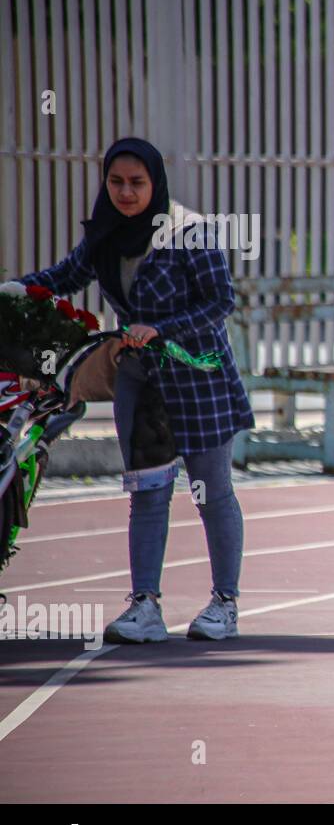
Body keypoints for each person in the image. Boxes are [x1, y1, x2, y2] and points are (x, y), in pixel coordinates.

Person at [11, 138, 255, 643]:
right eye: (116, 182)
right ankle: (145, 607)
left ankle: (224, 604)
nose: (125, 192)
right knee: (148, 494)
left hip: (198, 377)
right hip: (141, 380)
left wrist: (161, 328)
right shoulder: (104, 235)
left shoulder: (190, 233)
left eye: (136, 183)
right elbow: (63, 277)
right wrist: (13, 293)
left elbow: (220, 302)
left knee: (211, 493)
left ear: (155, 184)